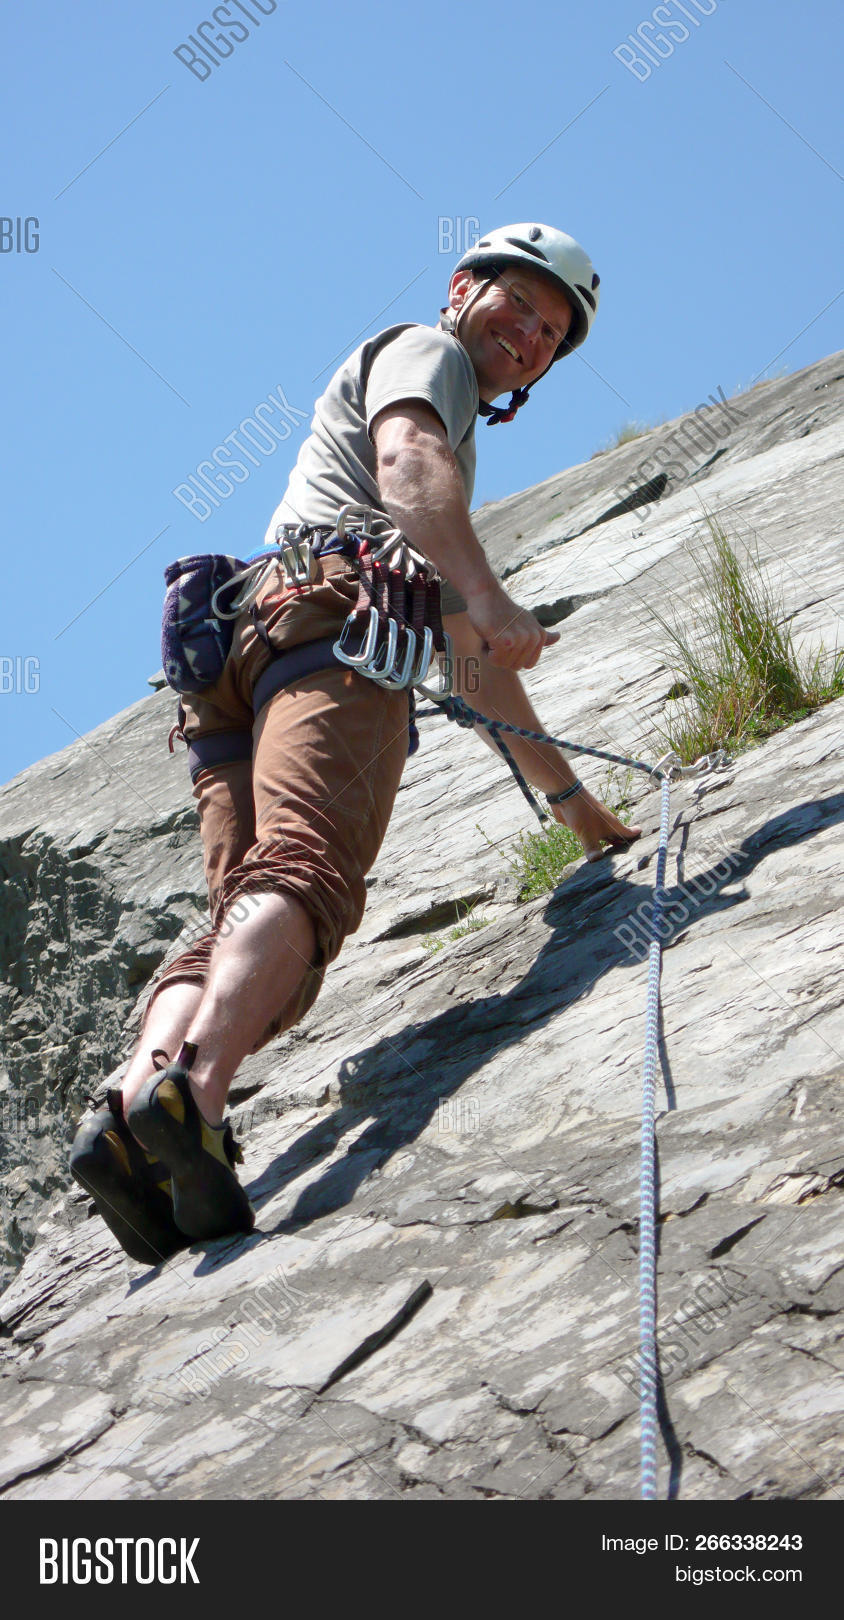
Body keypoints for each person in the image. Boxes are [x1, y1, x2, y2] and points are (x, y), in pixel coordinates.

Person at [70, 223, 641, 1264]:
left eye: (551, 334)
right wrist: (485, 586)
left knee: (251, 907)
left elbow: (472, 666)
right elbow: (407, 461)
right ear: (463, 289)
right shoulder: (428, 361)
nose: (529, 335)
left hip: (236, 653)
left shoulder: (434, 429)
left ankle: (132, 1102)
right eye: (519, 305)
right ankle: (193, 1095)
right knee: (307, 877)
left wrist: (572, 807)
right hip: (333, 629)